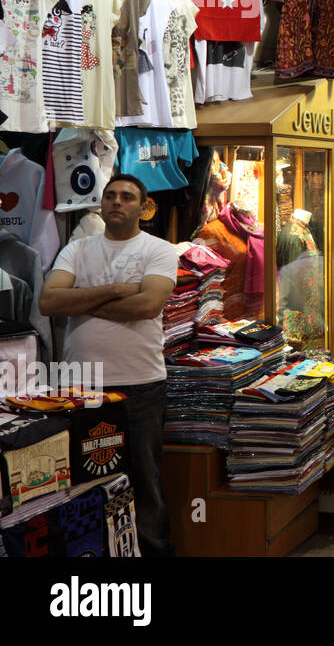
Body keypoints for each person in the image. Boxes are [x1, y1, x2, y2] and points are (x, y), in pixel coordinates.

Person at [40, 174, 179, 556]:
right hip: (79, 386)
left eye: (127, 197)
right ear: (102, 202)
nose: (117, 202)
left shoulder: (159, 251)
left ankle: (151, 551)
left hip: (140, 384)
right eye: (111, 195)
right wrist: (117, 290)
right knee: (81, 479)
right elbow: (49, 303)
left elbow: (147, 306)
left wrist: (80, 299)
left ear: (143, 207)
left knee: (144, 478)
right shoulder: (78, 248)